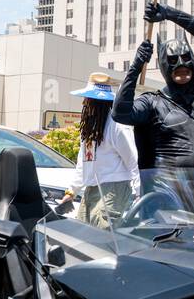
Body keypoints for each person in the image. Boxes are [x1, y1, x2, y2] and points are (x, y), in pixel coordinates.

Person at [113, 1, 194, 197]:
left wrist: (168, 13)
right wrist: (136, 66)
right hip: (169, 197)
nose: (181, 64)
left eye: (186, 57)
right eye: (172, 60)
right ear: (162, 65)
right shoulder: (153, 102)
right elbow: (121, 113)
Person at [59, 72, 139, 229]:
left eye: (88, 99)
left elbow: (133, 161)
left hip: (113, 188)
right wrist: (71, 192)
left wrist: (139, 194)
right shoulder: (90, 128)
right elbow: (83, 163)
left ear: (97, 102)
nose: (84, 103)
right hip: (92, 188)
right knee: (82, 232)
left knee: (103, 236)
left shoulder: (117, 126)